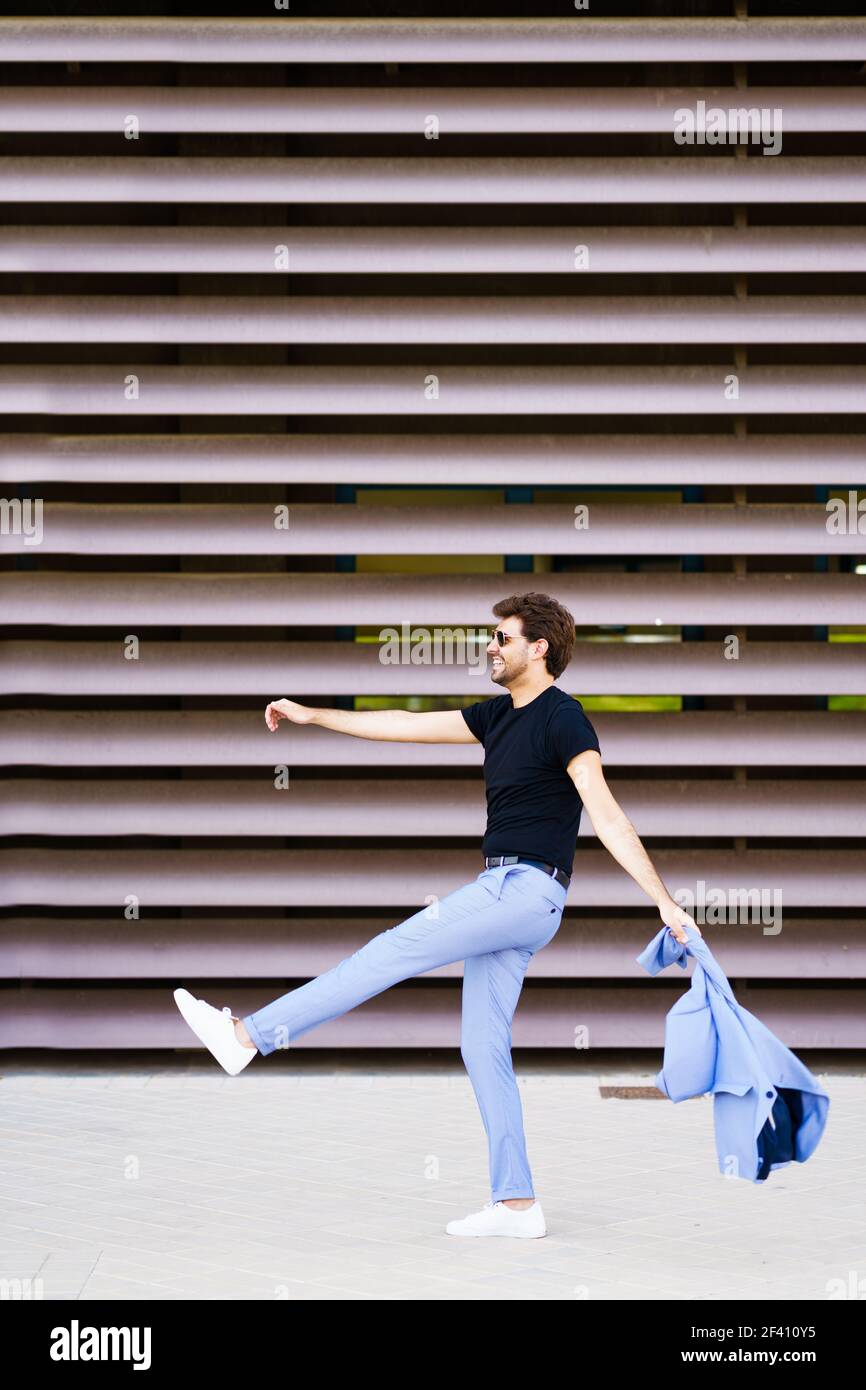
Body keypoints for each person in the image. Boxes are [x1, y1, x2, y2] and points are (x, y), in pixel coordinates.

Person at [174, 591, 699, 1239]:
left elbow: (607, 812)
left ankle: (247, 1036)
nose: (491, 646)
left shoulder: (565, 719)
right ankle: (518, 1205)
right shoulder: (496, 716)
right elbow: (401, 722)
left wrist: (664, 900)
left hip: (522, 891)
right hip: (514, 897)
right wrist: (312, 715)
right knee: (482, 1045)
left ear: (539, 648)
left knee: (387, 953)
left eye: (502, 638)